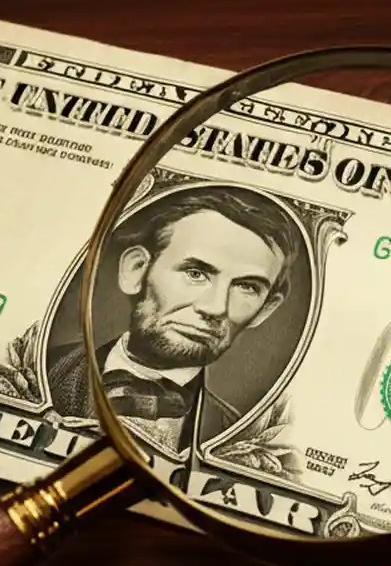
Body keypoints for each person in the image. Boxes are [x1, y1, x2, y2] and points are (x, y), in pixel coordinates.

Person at [47, 185, 301, 452]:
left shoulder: (235, 438)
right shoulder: (45, 369)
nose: (215, 307)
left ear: (265, 310)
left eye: (247, 287)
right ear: (136, 270)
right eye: (195, 273)